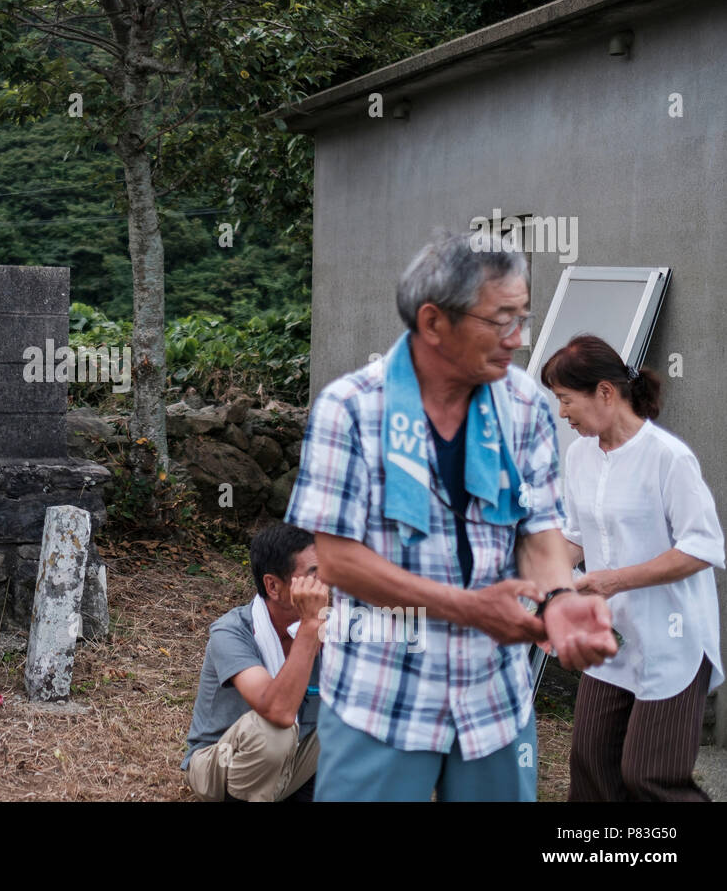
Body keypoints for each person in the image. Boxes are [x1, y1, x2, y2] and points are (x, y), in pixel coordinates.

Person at [287, 229, 617, 802]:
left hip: (494, 700)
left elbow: (537, 531)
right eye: (501, 320)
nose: (517, 338)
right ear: (434, 322)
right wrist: (469, 608)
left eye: (523, 317)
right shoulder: (352, 409)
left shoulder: (524, 407)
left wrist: (561, 600)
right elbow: (339, 561)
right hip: (382, 698)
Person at [542, 334, 723, 801]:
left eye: (566, 399)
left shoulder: (668, 458)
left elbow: (702, 547)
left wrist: (616, 579)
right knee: (591, 763)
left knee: (649, 776)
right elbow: (575, 536)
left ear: (605, 392)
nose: (562, 413)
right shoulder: (578, 455)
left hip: (672, 640)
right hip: (612, 637)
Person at [182, 523, 327, 802]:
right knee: (274, 733)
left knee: (353, 717)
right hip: (219, 764)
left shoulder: (333, 622)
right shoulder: (231, 631)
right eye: (313, 575)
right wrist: (310, 627)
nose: (325, 585)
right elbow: (279, 712)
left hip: (294, 762)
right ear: (273, 585)